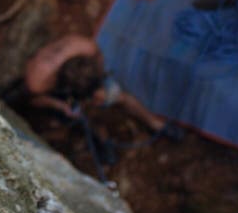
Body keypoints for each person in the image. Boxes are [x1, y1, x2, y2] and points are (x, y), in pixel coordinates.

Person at [23, 34, 180, 137]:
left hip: (89, 79)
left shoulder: (83, 46)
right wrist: (60, 106)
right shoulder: (37, 82)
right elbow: (36, 100)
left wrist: (101, 87)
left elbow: (98, 59)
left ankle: (155, 123)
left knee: (120, 97)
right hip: (59, 90)